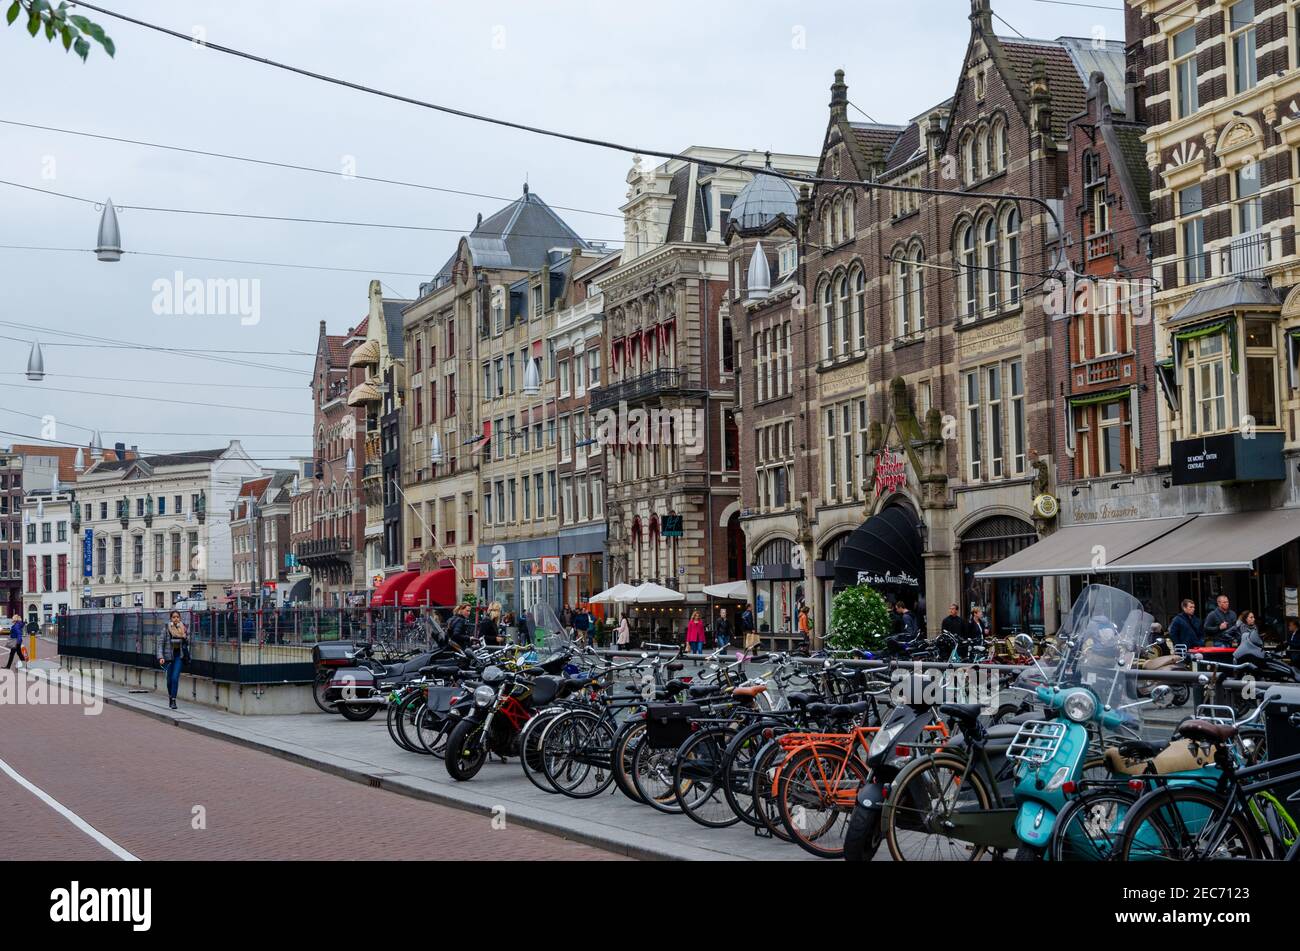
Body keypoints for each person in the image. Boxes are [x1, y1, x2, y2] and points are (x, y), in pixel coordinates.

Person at [157, 610, 188, 710]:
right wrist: (161, 657)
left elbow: (188, 642)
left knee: (175, 678)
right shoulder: (166, 629)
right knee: (169, 681)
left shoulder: (183, 629)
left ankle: (174, 700)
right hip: (168, 657)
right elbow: (160, 644)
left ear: (180, 618)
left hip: (179, 656)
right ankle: (170, 696)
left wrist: (185, 638)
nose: (176, 619)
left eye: (177, 617)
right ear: (171, 618)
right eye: (174, 617)